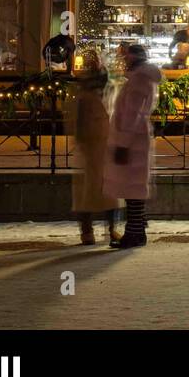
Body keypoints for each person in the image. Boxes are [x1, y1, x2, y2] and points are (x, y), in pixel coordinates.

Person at [103, 43, 163, 249]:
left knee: (132, 190)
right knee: (133, 189)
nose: (123, 61)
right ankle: (136, 232)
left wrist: (123, 143)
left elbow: (132, 114)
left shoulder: (139, 81)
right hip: (136, 139)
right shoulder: (142, 79)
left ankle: (135, 234)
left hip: (132, 141)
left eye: (126, 58)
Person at [69, 49, 122, 245]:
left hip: (106, 143)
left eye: (95, 60)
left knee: (108, 191)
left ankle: (110, 229)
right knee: (88, 192)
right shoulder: (84, 90)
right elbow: (77, 119)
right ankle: (87, 231)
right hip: (91, 146)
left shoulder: (109, 86)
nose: (93, 63)